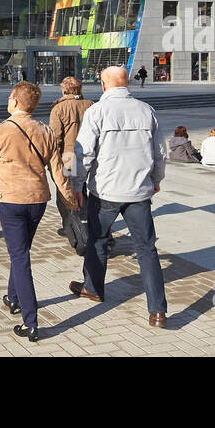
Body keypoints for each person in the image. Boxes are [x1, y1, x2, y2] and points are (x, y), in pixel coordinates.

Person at [0, 81, 77, 343]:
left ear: (15, 101)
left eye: (9, 96)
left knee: (20, 257)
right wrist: (69, 197)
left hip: (10, 200)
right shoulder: (45, 131)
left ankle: (31, 320)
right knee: (21, 250)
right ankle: (13, 297)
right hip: (38, 199)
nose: (7, 99)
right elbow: (57, 169)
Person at [67, 66, 169, 327]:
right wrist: (155, 180)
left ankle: (93, 287)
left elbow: (83, 154)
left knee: (97, 240)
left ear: (103, 84)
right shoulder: (147, 110)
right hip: (139, 191)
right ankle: (157, 311)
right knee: (147, 249)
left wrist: (76, 185)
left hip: (105, 191)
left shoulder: (97, 112)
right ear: (127, 83)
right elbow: (160, 152)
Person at [47, 77, 93, 234]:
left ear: (64, 90)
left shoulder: (59, 108)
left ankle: (70, 227)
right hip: (89, 153)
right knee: (83, 188)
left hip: (68, 156)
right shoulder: (91, 105)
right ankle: (86, 222)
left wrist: (52, 160)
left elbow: (56, 137)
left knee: (64, 190)